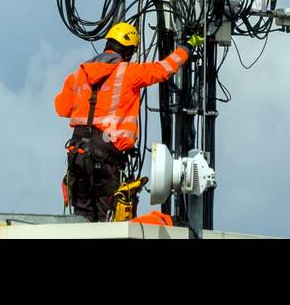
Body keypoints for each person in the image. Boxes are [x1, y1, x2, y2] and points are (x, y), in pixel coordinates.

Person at [54, 22, 202, 221]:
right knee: (109, 222)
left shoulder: (79, 75)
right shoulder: (129, 72)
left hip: (77, 155)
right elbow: (164, 69)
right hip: (106, 157)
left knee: (83, 221)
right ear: (129, 51)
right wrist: (188, 46)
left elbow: (62, 108)